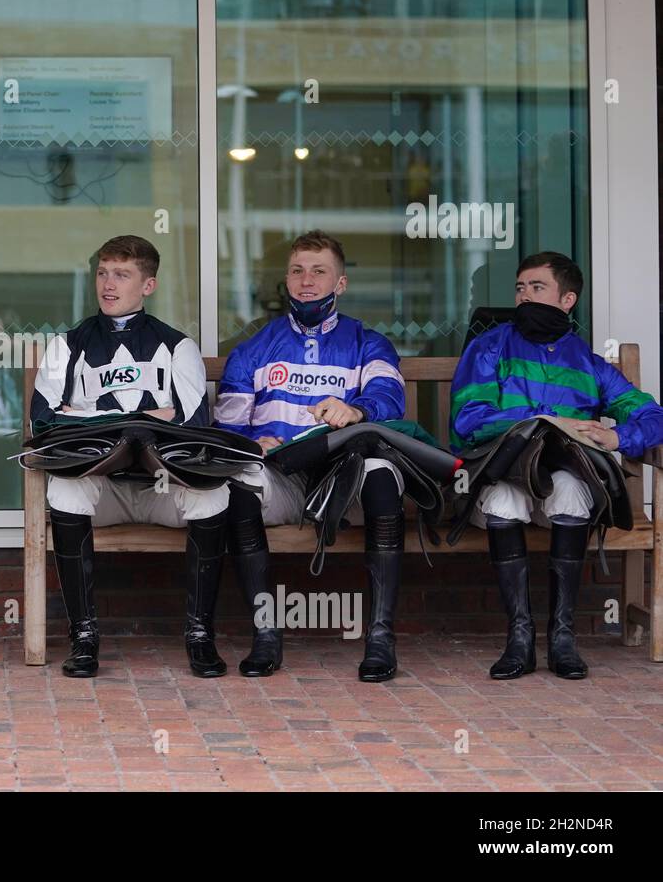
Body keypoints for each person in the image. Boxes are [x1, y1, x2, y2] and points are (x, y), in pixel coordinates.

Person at [451, 251, 663, 680]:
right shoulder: (488, 347)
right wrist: (544, 421)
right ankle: (520, 637)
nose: (524, 296)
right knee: (506, 499)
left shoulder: (587, 364)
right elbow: (468, 420)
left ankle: (563, 637)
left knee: (569, 490)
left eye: (537, 287)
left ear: (567, 300)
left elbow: (651, 416)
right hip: (497, 477)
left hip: (558, 487)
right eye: (520, 287)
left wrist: (619, 437)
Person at [31, 235, 233, 678]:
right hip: (103, 489)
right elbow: (44, 423)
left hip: (163, 488)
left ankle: (200, 636)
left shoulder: (176, 345)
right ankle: (83, 639)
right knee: (64, 488)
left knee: (214, 495)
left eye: (121, 274)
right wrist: (147, 416)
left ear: (148, 285)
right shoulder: (68, 345)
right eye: (102, 272)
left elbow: (194, 423)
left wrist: (86, 413)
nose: (108, 283)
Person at [215, 230, 407, 681]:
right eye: (298, 271)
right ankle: (265, 635)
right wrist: (251, 444)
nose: (307, 281)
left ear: (339, 284)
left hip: (346, 476)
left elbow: (391, 399)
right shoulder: (253, 348)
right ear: (286, 280)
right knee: (239, 483)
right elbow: (227, 424)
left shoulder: (368, 343)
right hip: (281, 477)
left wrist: (356, 409)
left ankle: (380, 638)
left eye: (319, 271)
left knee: (382, 474)